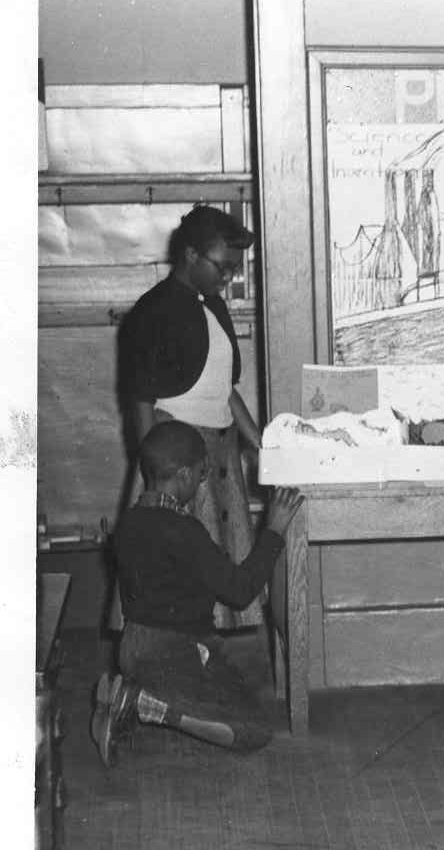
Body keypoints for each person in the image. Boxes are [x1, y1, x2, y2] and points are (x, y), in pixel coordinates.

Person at [91, 421, 301, 765]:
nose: (203, 481)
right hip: (172, 653)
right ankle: (146, 703)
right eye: (203, 475)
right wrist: (273, 530)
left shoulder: (129, 522)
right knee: (255, 730)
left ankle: (133, 697)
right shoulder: (184, 530)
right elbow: (240, 591)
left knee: (233, 692)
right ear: (185, 476)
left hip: (134, 647)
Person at [116, 205, 266, 629]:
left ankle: (209, 652)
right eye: (223, 267)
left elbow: (225, 389)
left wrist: (258, 443)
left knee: (224, 566)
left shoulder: (215, 306)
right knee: (181, 574)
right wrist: (155, 478)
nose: (229, 277)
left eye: (235, 270)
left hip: (219, 452)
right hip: (176, 457)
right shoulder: (150, 312)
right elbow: (141, 400)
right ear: (190, 255)